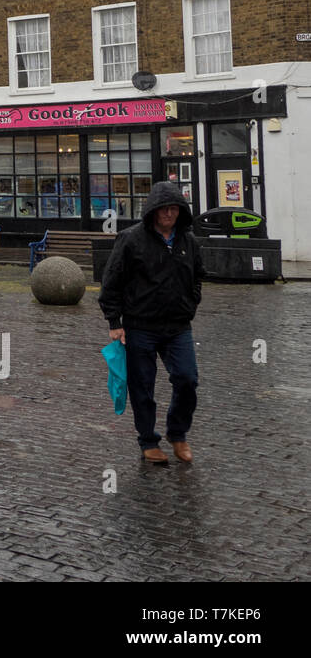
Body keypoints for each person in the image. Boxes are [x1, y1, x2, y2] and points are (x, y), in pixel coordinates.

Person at [99, 181, 205, 465]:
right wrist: (114, 321)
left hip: (178, 326)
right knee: (142, 386)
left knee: (187, 379)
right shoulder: (131, 239)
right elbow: (112, 281)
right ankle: (148, 440)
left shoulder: (188, 241)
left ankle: (178, 433)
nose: (169, 214)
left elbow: (197, 276)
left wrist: (191, 303)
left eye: (174, 209)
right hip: (140, 326)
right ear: (153, 211)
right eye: (163, 209)